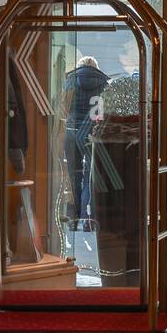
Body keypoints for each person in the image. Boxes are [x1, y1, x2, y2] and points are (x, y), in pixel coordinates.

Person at [61, 54, 108, 222]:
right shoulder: (103, 83)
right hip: (91, 133)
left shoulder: (71, 80)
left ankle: (73, 218)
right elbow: (104, 110)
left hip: (72, 131)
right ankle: (88, 217)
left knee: (74, 174)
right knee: (90, 174)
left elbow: (64, 106)